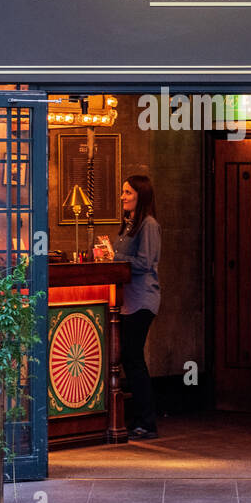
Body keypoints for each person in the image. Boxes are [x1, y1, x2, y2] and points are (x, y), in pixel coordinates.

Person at [113, 175, 161, 439]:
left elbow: (144, 263)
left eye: (128, 192)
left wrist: (115, 256)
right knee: (130, 359)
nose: (123, 196)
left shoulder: (149, 225)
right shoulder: (129, 224)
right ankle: (140, 419)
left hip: (142, 300)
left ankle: (147, 421)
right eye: (122, 192)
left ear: (140, 195)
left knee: (133, 358)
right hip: (129, 301)